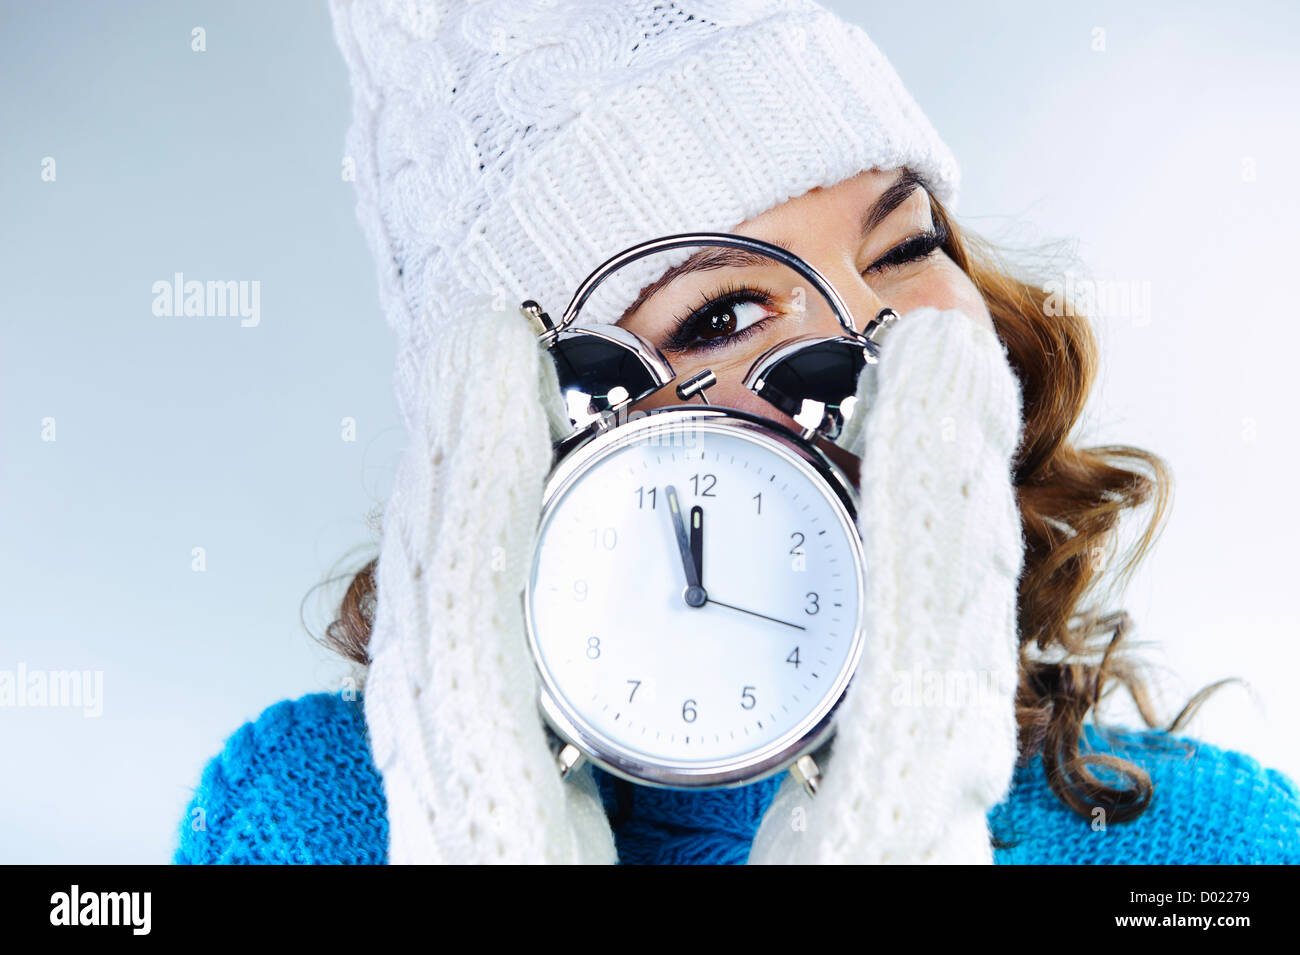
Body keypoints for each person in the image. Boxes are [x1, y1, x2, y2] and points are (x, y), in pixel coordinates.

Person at [173, 0, 1300, 864]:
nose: (865, 340)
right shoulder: (302, 815)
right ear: (523, 433)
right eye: (719, 314)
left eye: (905, 247)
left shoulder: (1215, 845)